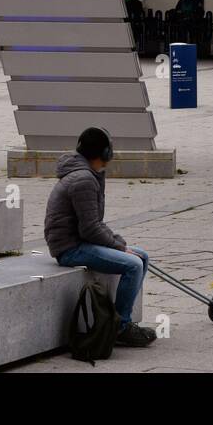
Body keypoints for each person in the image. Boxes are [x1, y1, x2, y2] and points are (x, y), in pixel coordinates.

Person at [45, 127, 157, 348]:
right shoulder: (83, 179)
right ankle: (120, 328)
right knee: (133, 264)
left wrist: (119, 242)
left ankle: (122, 319)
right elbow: (90, 229)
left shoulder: (86, 174)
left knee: (141, 256)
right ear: (103, 154)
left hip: (79, 240)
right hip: (70, 248)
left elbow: (93, 223)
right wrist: (119, 247)